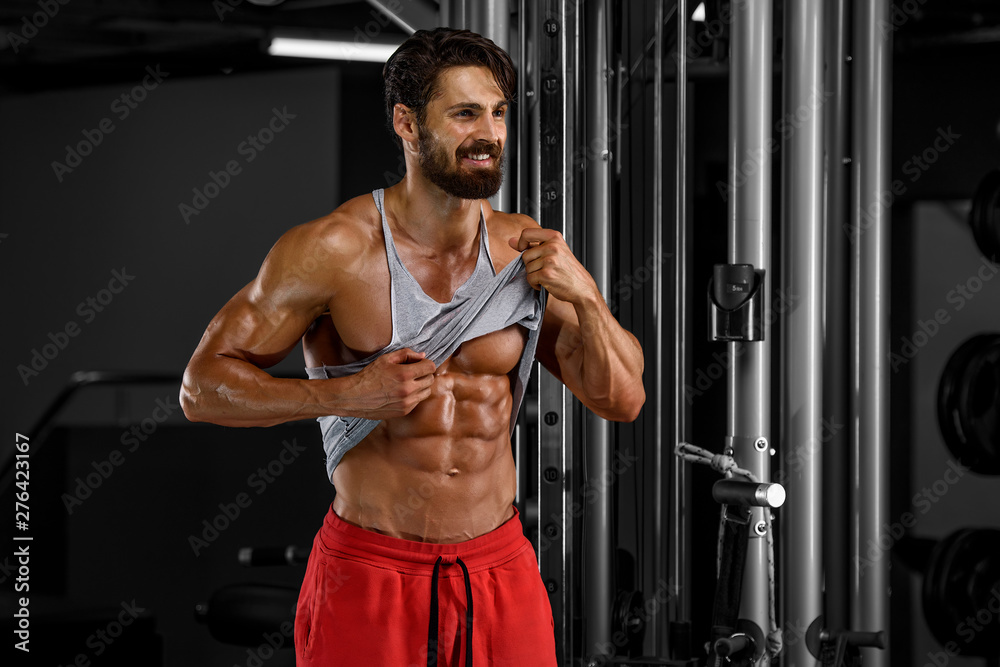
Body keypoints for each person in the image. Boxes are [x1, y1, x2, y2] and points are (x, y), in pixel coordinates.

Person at [180, 27, 644, 667]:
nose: (489, 133)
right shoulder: (332, 250)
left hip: (497, 565)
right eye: (464, 113)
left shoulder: (527, 250)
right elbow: (202, 390)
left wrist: (587, 296)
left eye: (498, 112)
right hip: (372, 565)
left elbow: (622, 400)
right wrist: (348, 395)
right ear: (406, 122)